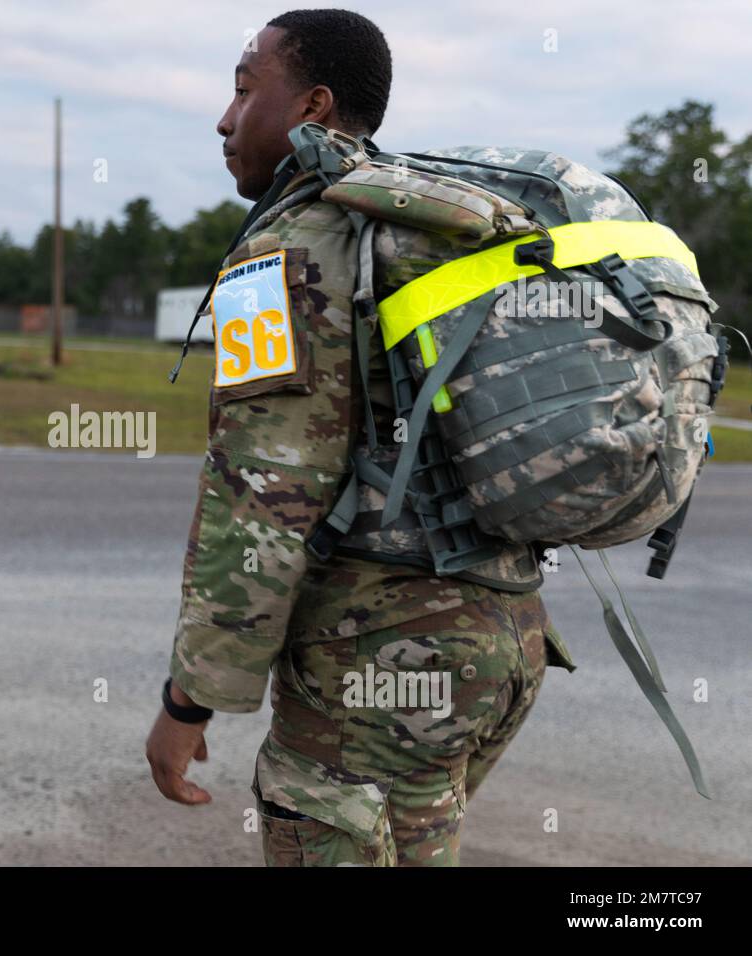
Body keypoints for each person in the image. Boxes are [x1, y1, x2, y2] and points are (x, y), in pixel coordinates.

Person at [145, 7, 575, 867]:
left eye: (242, 89)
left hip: (378, 660)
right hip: (500, 643)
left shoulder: (293, 248)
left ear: (312, 105)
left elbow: (268, 494)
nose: (224, 119)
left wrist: (189, 700)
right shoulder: (422, 226)